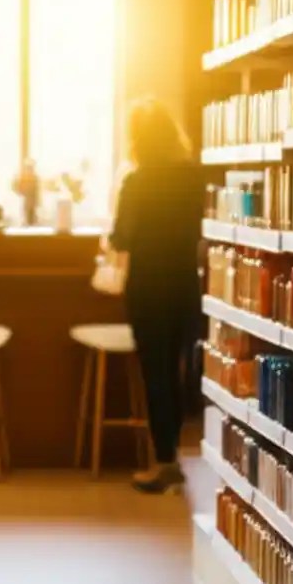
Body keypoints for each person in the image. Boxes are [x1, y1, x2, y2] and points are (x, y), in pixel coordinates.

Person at [107, 98, 199, 494]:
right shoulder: (194, 177)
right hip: (184, 283)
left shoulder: (137, 181)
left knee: (156, 373)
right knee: (177, 370)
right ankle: (173, 455)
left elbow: (121, 238)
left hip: (147, 286)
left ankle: (162, 462)